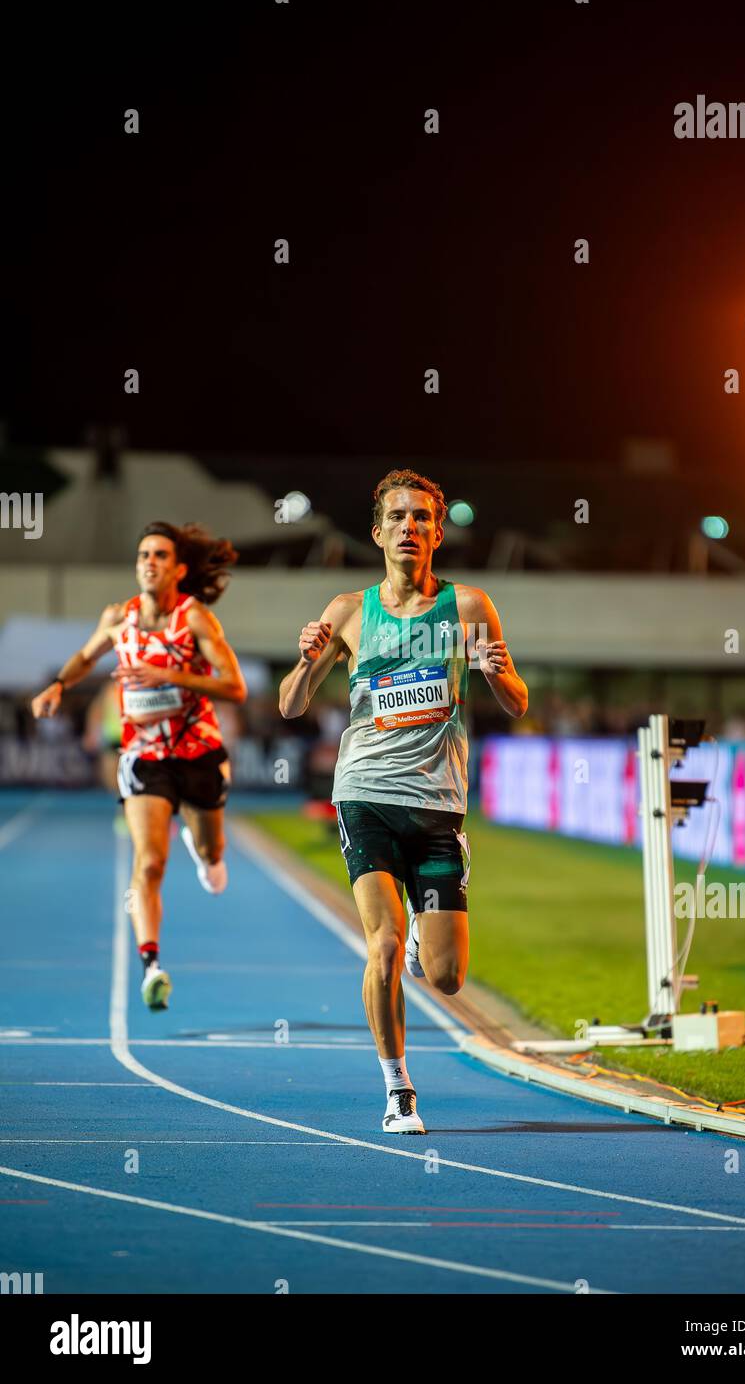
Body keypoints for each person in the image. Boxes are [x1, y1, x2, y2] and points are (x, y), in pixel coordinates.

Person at [279, 470, 528, 1132]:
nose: (410, 527)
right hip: (364, 794)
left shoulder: (470, 606)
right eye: (398, 517)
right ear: (378, 532)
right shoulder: (349, 612)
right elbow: (291, 704)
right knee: (382, 944)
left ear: (438, 533)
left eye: (422, 518)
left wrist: (497, 671)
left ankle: (429, 929)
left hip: (439, 804)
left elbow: (517, 701)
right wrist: (306, 662)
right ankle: (397, 1090)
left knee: (445, 977)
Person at [31, 522, 247, 1010]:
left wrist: (168, 674)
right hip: (145, 756)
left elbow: (235, 688)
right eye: (144, 554)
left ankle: (204, 849)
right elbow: (85, 658)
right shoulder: (118, 617)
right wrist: (59, 687)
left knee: (213, 854)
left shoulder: (196, 621)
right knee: (149, 862)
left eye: (161, 555)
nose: (149, 562)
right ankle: (152, 964)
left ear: (179, 569)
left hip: (198, 752)